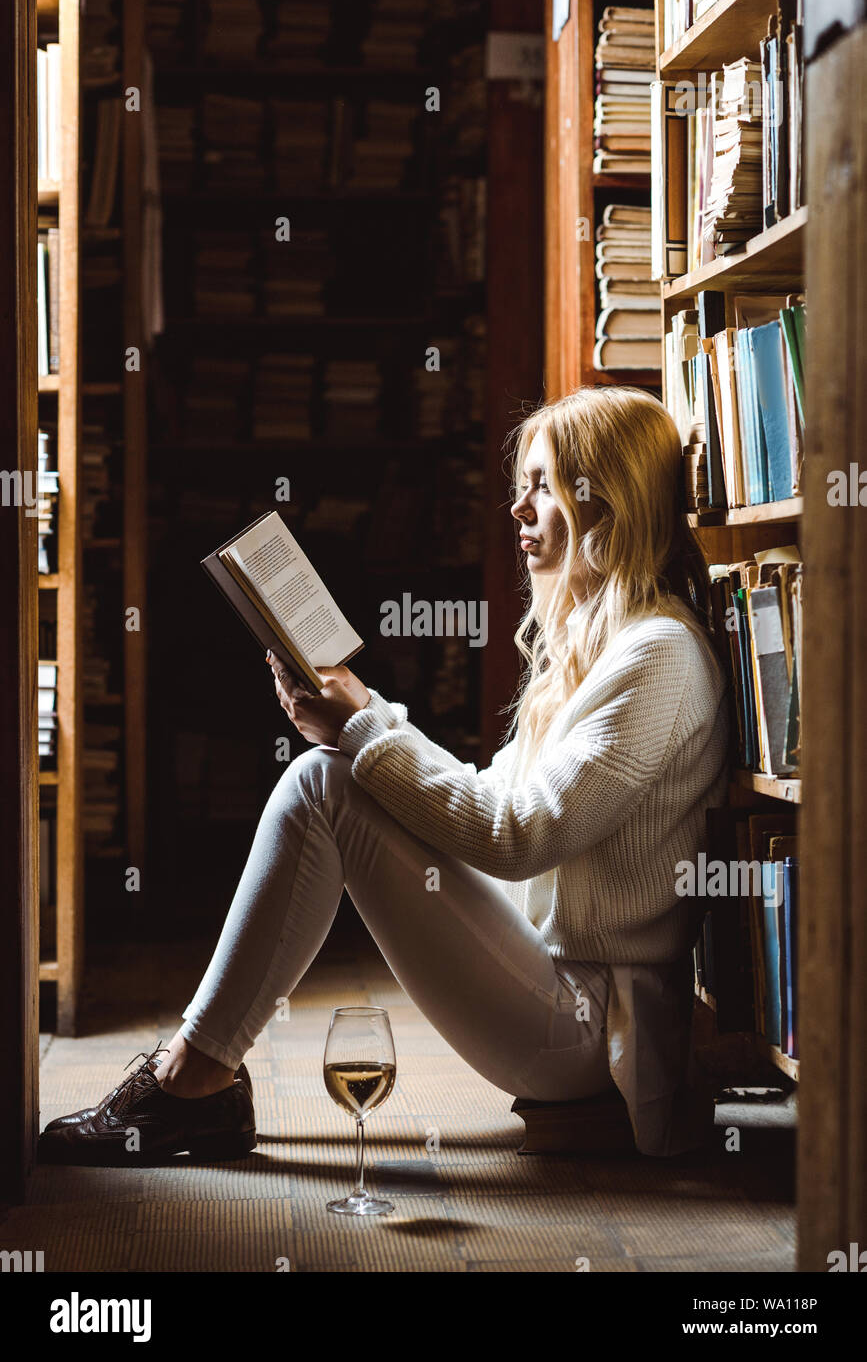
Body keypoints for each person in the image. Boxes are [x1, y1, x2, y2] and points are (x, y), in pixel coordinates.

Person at [40, 386, 729, 1165]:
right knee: (331, 774)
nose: (518, 509)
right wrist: (368, 716)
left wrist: (363, 730)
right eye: (520, 487)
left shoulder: (657, 655)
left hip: (592, 1027)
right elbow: (491, 793)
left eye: (542, 485)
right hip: (553, 990)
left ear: (606, 499)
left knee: (322, 783)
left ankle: (193, 1078)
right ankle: (197, 1077)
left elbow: (516, 837)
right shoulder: (601, 644)